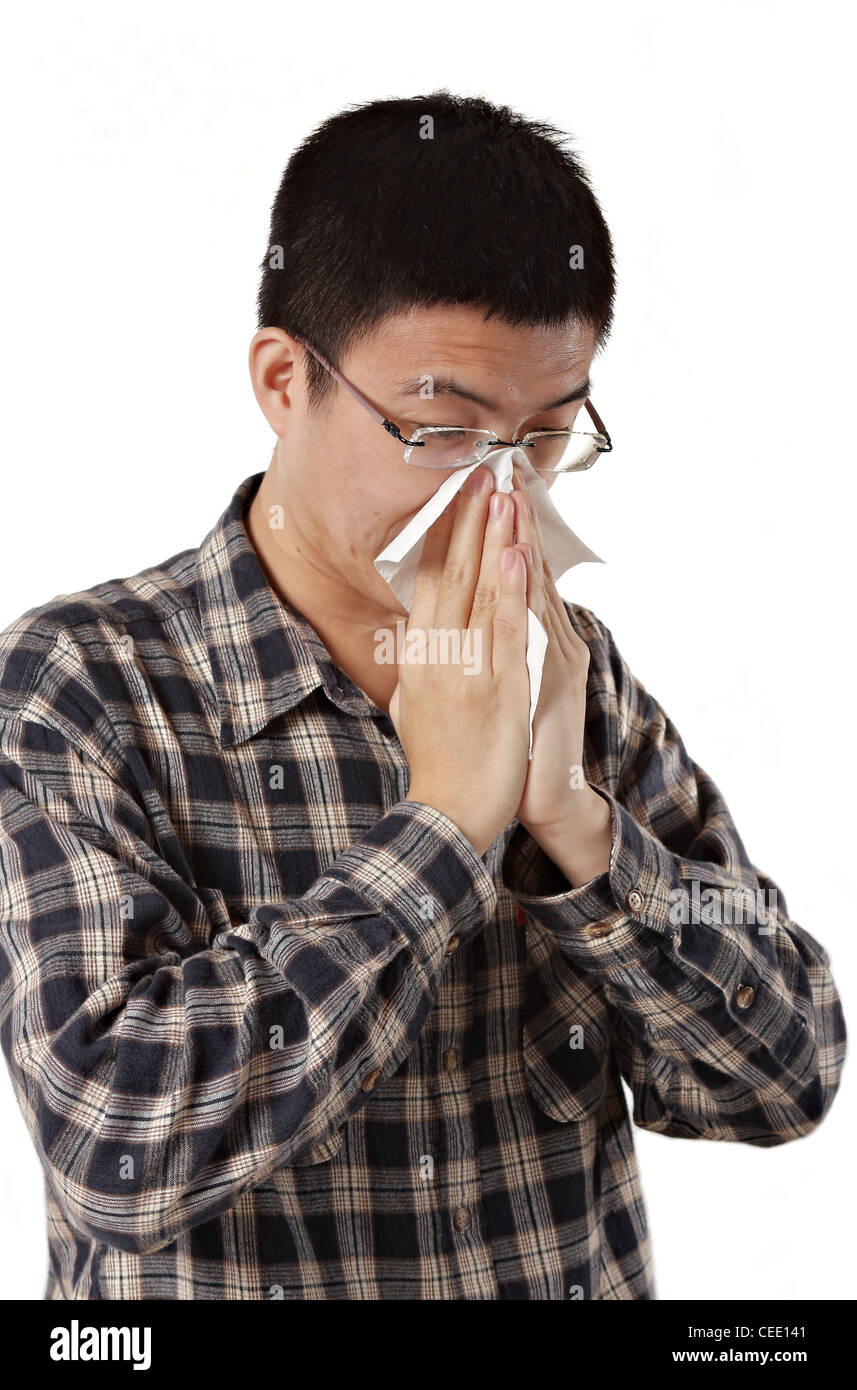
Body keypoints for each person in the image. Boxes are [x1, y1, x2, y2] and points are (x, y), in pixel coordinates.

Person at [0, 92, 845, 1301]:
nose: (500, 495)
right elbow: (115, 1151)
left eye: (546, 435)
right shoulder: (75, 689)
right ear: (285, 380)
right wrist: (445, 825)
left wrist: (574, 826)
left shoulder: (573, 671)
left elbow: (782, 1078)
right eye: (440, 430)